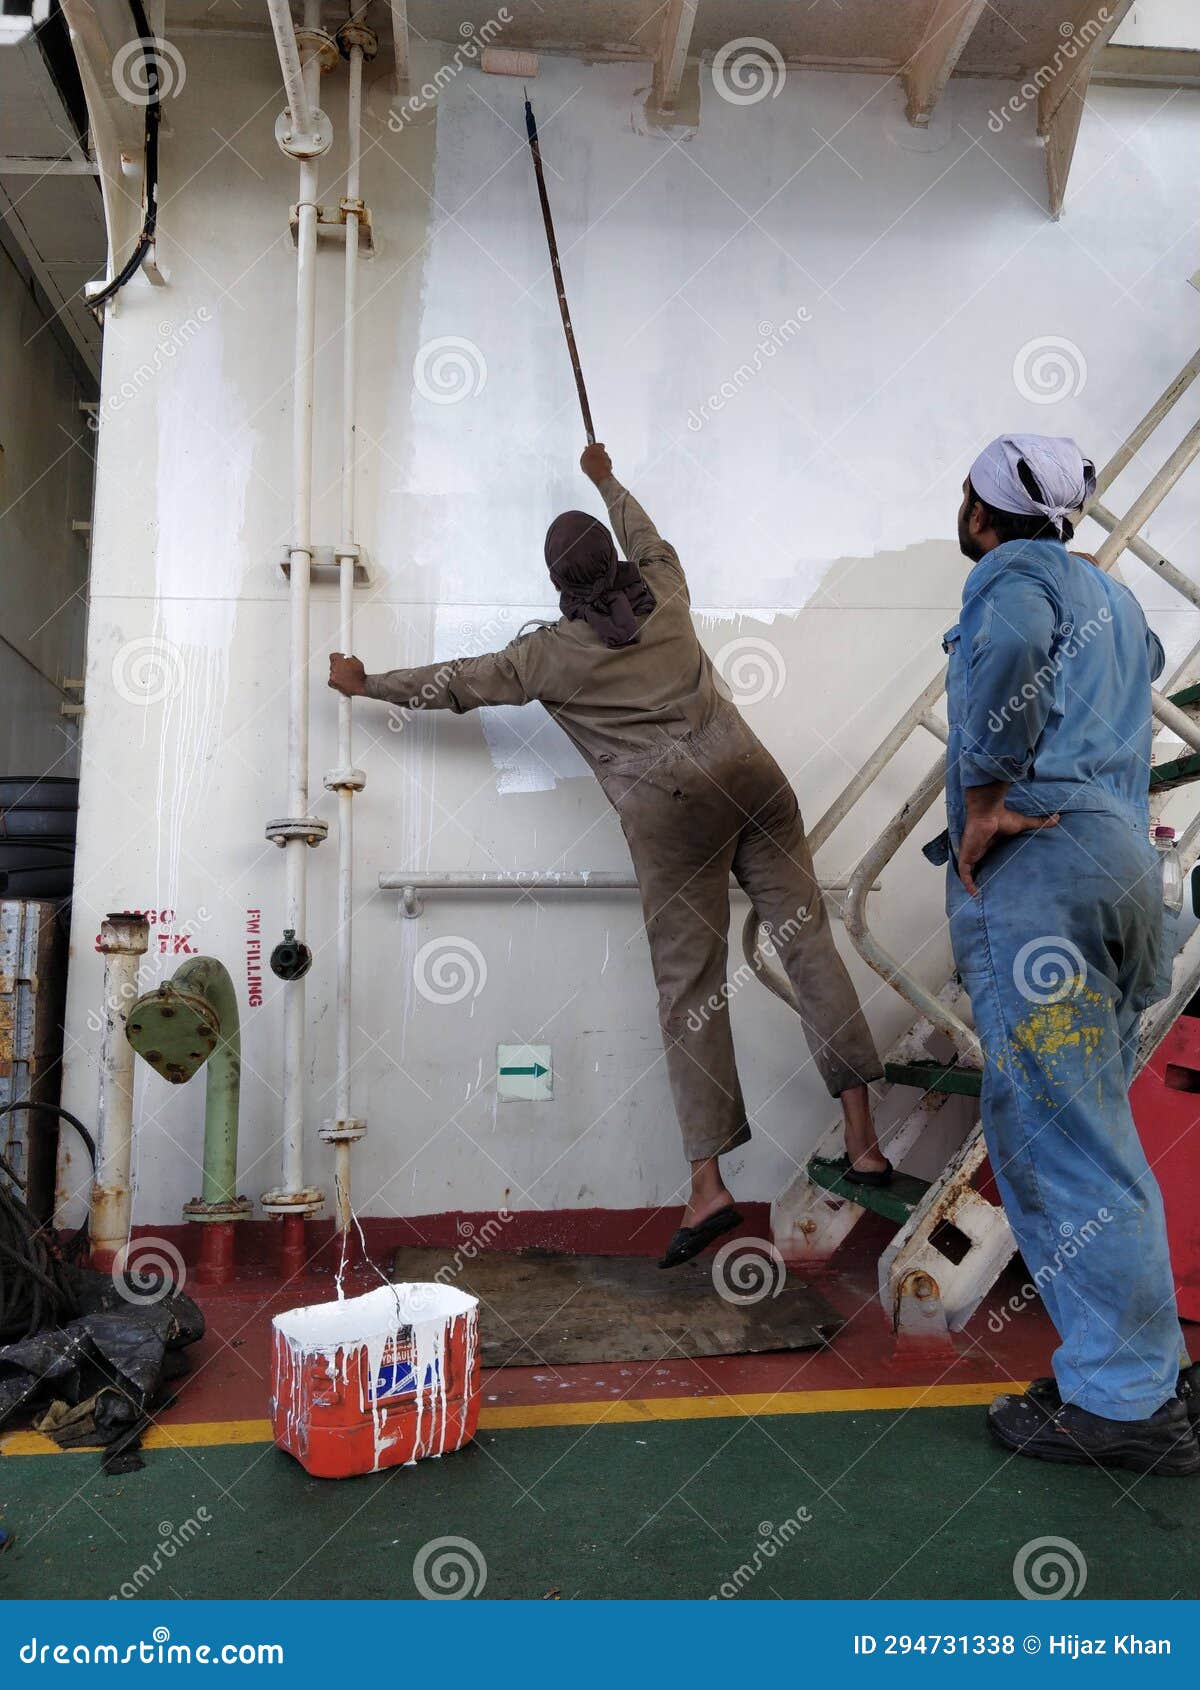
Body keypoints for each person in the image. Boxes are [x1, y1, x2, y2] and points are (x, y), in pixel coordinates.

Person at [329, 444, 885, 1267]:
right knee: (807, 943)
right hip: (755, 779)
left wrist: (365, 681)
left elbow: (455, 684)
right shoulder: (664, 586)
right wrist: (605, 479)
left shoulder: (549, 654)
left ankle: (708, 1187)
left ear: (560, 585)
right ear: (615, 561)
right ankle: (865, 1139)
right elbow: (646, 531)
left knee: (689, 992)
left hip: (673, 815)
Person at [934, 431, 1198, 1475]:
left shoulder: (1013, 574)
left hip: (1047, 872)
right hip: (1129, 873)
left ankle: (1127, 1405)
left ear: (981, 511)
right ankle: (1137, 1368)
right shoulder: (1116, 600)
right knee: (1097, 1133)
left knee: (1058, 1139)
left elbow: (1003, 658)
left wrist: (990, 794)